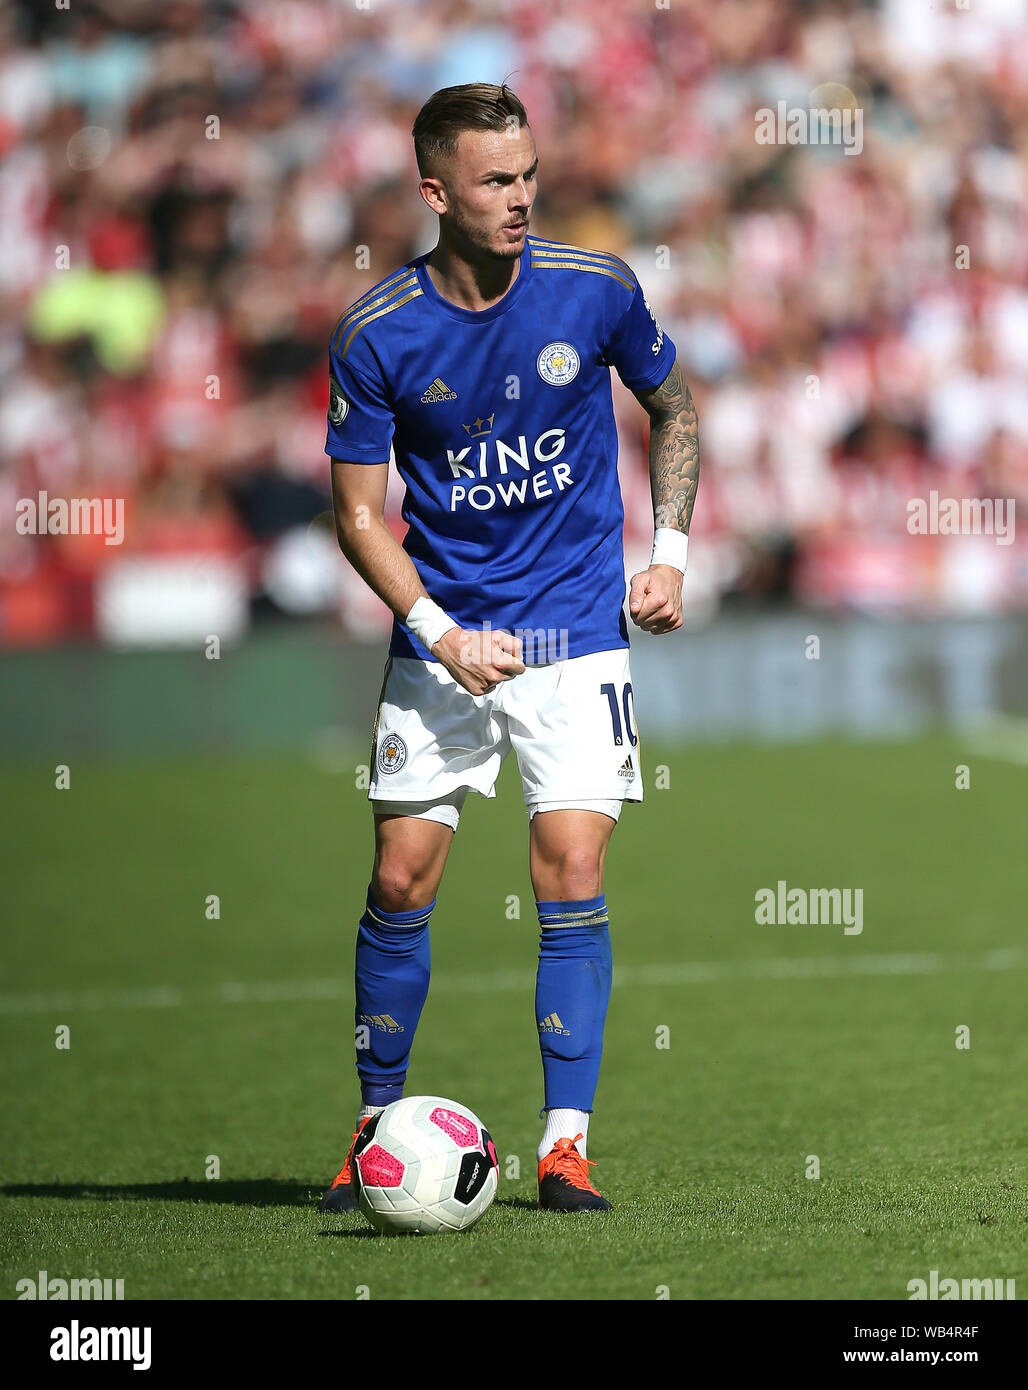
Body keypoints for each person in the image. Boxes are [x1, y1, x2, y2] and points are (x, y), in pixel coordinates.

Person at [321, 82, 699, 1213]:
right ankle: (368, 1125)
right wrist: (438, 633)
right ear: (434, 190)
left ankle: (564, 1145)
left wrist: (668, 550)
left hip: (576, 632)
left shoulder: (595, 291)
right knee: (401, 877)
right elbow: (353, 515)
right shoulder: (378, 331)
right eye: (494, 181)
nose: (521, 198)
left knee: (570, 868)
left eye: (528, 174)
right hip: (442, 638)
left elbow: (673, 407)